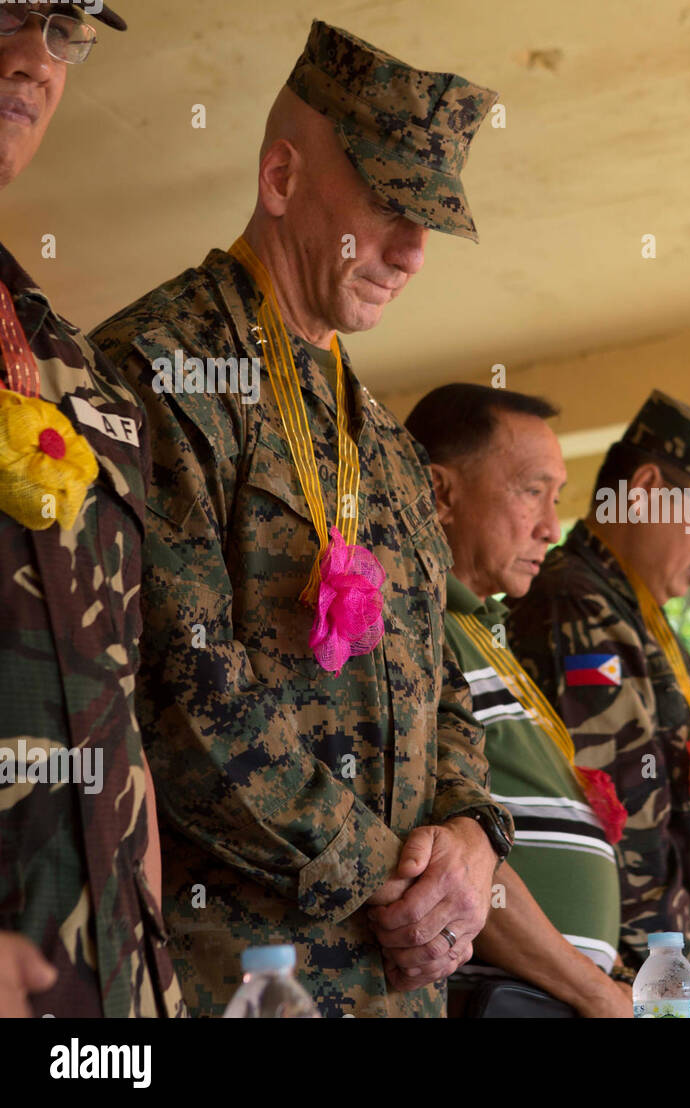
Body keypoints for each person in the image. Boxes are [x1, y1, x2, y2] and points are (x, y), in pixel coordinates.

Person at [89, 21, 513, 1017]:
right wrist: (393, 880)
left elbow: (442, 671)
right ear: (281, 178)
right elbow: (178, 691)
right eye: (388, 208)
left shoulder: (377, 432)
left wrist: (471, 836)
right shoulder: (157, 372)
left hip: (396, 984)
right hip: (239, 977)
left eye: (430, 224)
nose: (412, 252)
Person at [0, 1, 185, 1019]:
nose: (34, 58)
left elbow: (117, 703)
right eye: (9, 12)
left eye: (64, 29)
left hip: (107, 990)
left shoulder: (78, 370)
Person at [508, 390, 690, 1018]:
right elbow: (627, 822)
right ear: (648, 485)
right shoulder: (578, 602)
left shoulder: (635, 612)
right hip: (633, 987)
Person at [404, 383, 630, 1017]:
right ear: (441, 493)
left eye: (556, 499)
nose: (552, 528)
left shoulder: (483, 630)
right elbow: (457, 862)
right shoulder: (415, 625)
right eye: (531, 491)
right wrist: (598, 994)